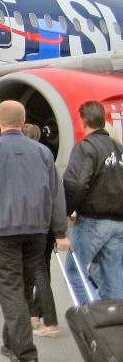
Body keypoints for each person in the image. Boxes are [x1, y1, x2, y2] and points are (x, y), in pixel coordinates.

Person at [0, 100, 69, 362]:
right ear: (24, 122)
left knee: (11, 291)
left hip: (2, 231)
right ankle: (11, 344)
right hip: (36, 231)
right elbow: (56, 195)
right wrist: (60, 232)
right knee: (23, 288)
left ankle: (25, 353)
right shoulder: (43, 153)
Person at [62, 100, 123, 302]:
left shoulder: (86, 148)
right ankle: (115, 325)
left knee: (74, 271)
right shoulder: (118, 148)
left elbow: (76, 184)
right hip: (118, 221)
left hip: (93, 219)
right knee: (113, 278)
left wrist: (67, 210)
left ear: (83, 121)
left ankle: (92, 320)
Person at [19, 123, 59, 338]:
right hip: (45, 222)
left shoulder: (21, 159)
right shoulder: (46, 157)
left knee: (26, 270)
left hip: (25, 221)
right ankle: (40, 315)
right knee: (42, 269)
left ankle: (35, 316)